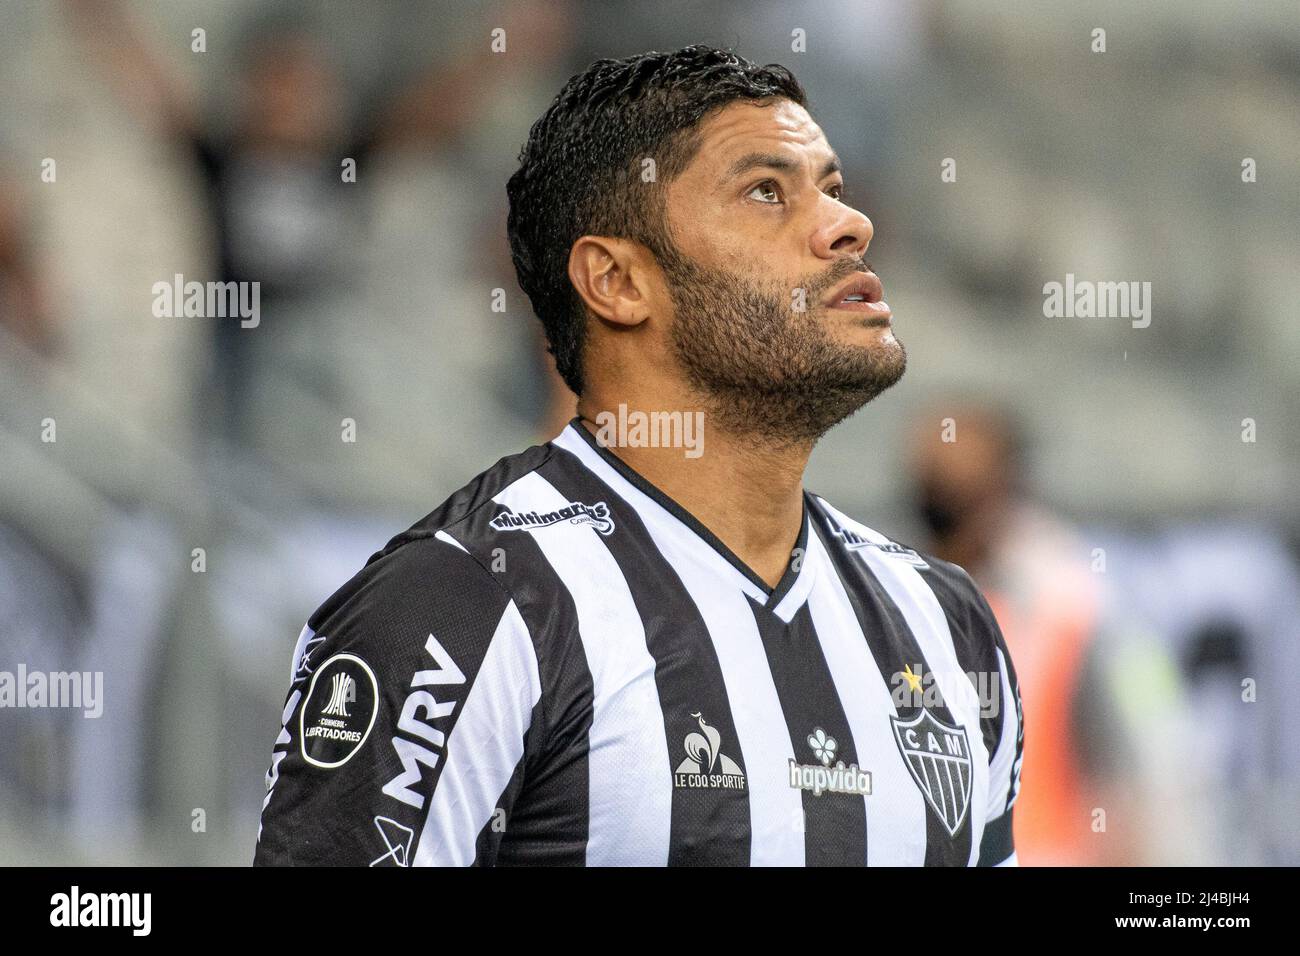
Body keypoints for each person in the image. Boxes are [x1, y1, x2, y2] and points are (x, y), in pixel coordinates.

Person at [254, 44, 1023, 867]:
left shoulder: (944, 624)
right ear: (618, 282)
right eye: (767, 192)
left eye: (833, 189)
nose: (849, 223)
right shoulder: (464, 606)